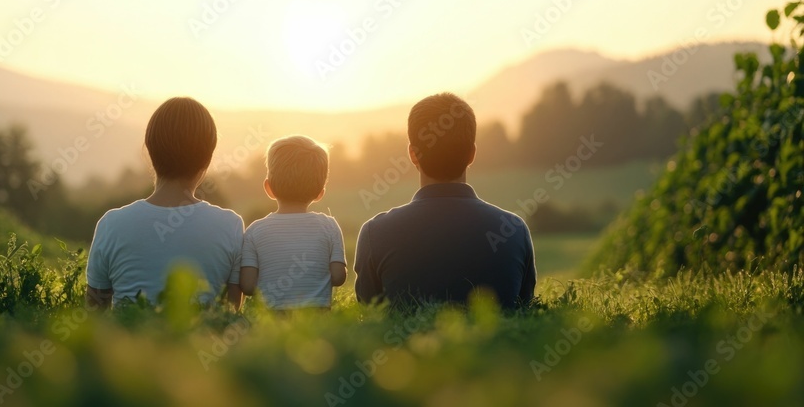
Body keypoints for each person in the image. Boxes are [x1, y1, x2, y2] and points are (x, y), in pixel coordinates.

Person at [354, 92, 536, 310]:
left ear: (413, 154)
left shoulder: (375, 233)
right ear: (472, 154)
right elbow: (525, 310)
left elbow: (368, 316)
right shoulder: (514, 231)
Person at [85, 97, 244, 310]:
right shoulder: (230, 226)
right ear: (207, 160)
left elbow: (94, 314)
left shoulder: (111, 224)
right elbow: (231, 312)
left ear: (150, 151)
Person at [239, 135, 347, 310]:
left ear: (269, 188)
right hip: (316, 317)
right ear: (320, 192)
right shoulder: (329, 226)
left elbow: (248, 285)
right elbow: (338, 277)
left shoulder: (254, 231)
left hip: (270, 320)